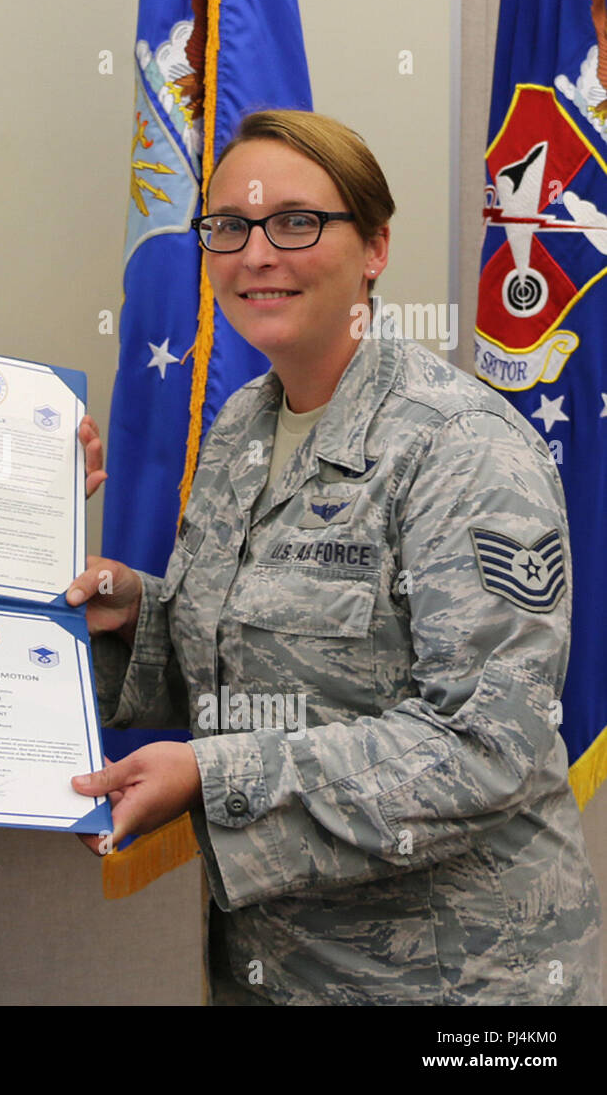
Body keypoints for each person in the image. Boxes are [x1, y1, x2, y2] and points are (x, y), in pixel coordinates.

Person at [67, 110, 602, 1004]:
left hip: (458, 985)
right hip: (273, 968)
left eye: (296, 221)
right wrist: (134, 615)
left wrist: (212, 773)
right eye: (228, 227)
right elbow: (250, 657)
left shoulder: (461, 448)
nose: (256, 253)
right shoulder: (245, 422)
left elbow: (484, 745)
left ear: (376, 248)